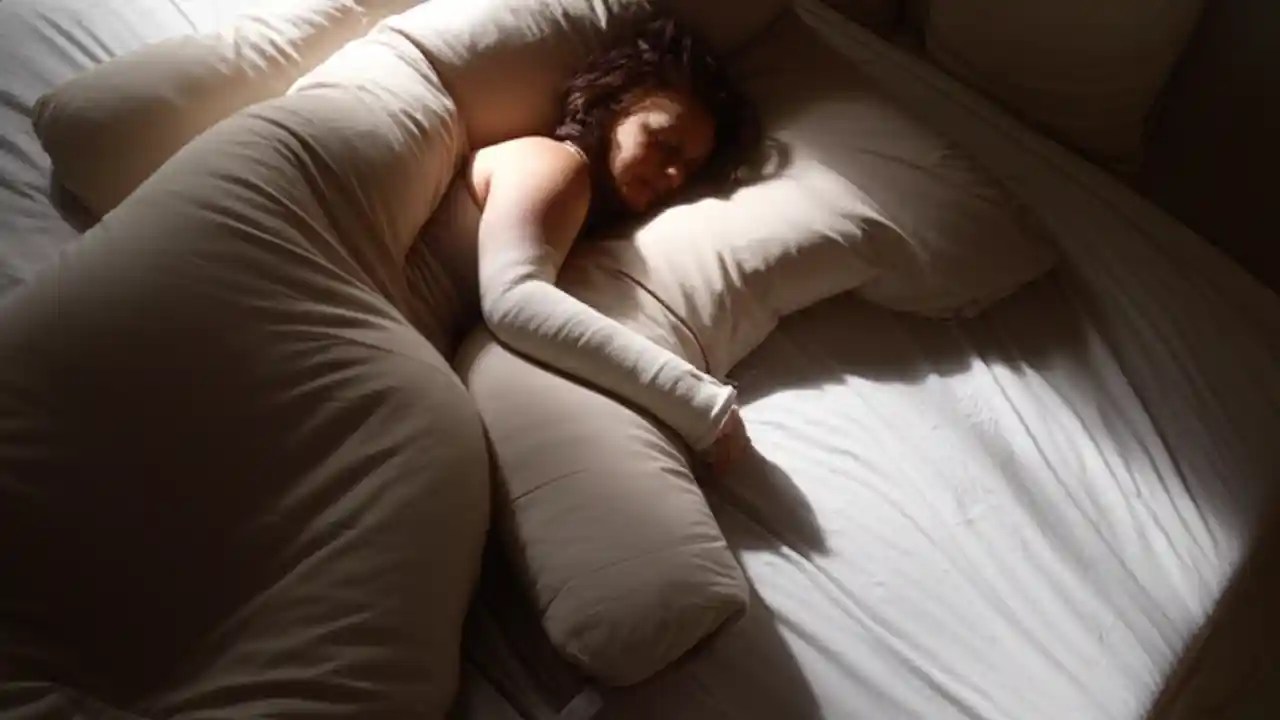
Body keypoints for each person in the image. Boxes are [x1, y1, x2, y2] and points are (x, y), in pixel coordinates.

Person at [427, 13, 757, 473]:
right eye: (663, 144)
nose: (674, 176)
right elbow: (515, 300)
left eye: (691, 168)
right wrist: (695, 401)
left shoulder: (587, 217)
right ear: (613, 105)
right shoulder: (557, 164)